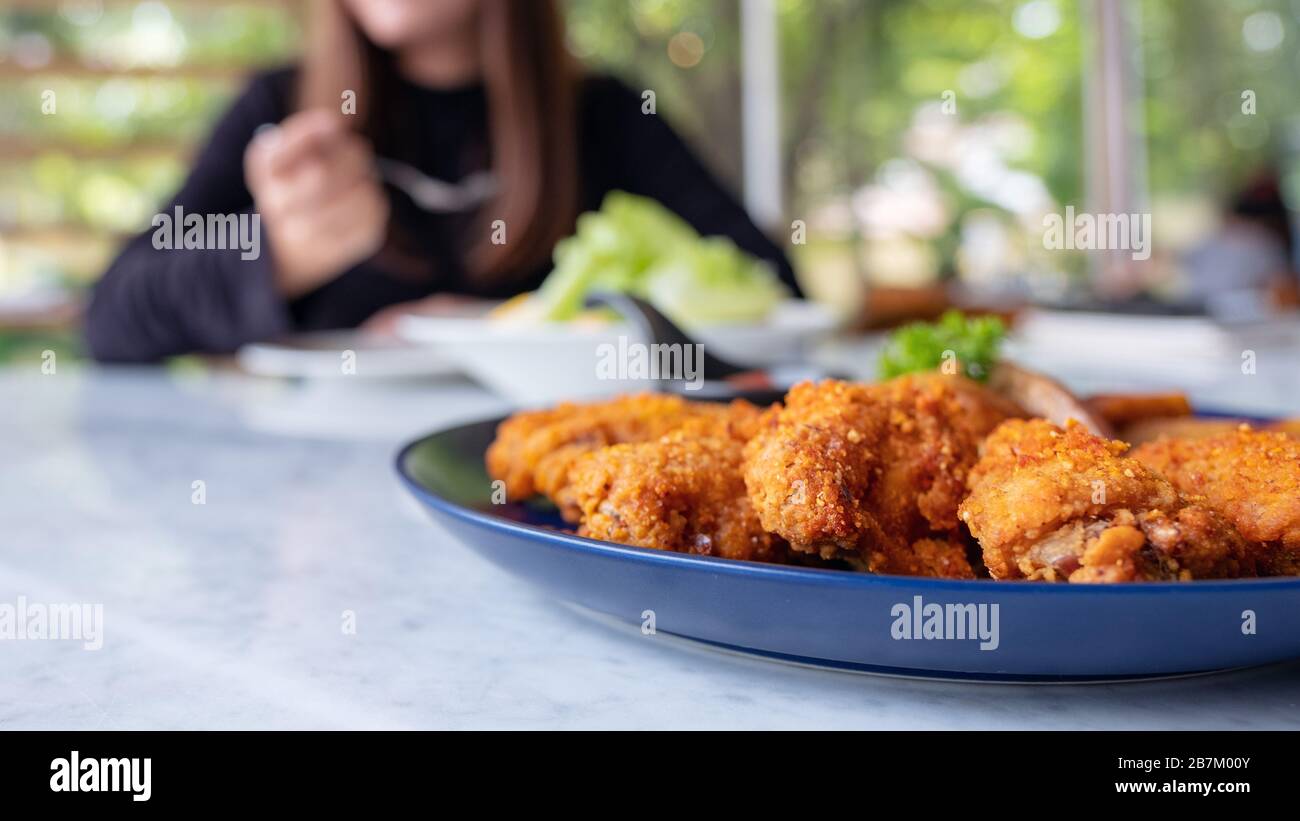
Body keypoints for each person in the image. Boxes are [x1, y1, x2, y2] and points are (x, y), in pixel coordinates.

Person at [83, 0, 798, 363]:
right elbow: (111, 316)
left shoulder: (605, 116)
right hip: (318, 509)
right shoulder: (278, 107)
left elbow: (775, 296)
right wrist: (287, 256)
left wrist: (515, 333)